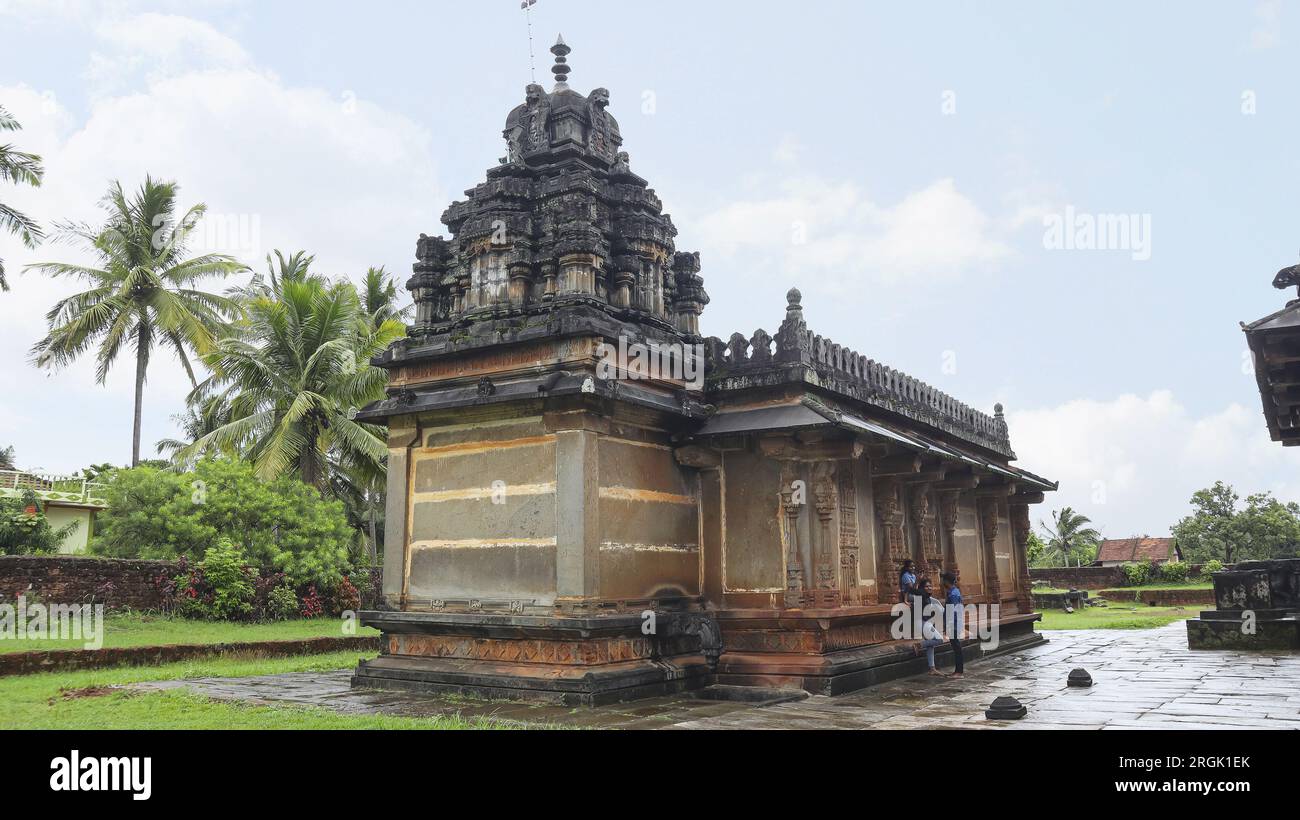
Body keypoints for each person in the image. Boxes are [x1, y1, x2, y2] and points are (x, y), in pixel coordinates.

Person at [913, 577, 948, 676]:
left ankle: (932, 669)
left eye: (930, 586)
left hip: (926, 623)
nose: (929, 588)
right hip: (923, 623)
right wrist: (917, 581)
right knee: (939, 639)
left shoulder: (928, 598)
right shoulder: (921, 597)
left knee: (931, 645)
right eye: (926, 586)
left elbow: (936, 603)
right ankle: (919, 645)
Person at [941, 571, 965, 678]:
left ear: (946, 581)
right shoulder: (954, 591)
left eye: (943, 580)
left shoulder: (953, 594)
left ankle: (959, 671)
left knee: (956, 647)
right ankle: (958, 670)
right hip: (955, 622)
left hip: (954, 623)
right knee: (956, 647)